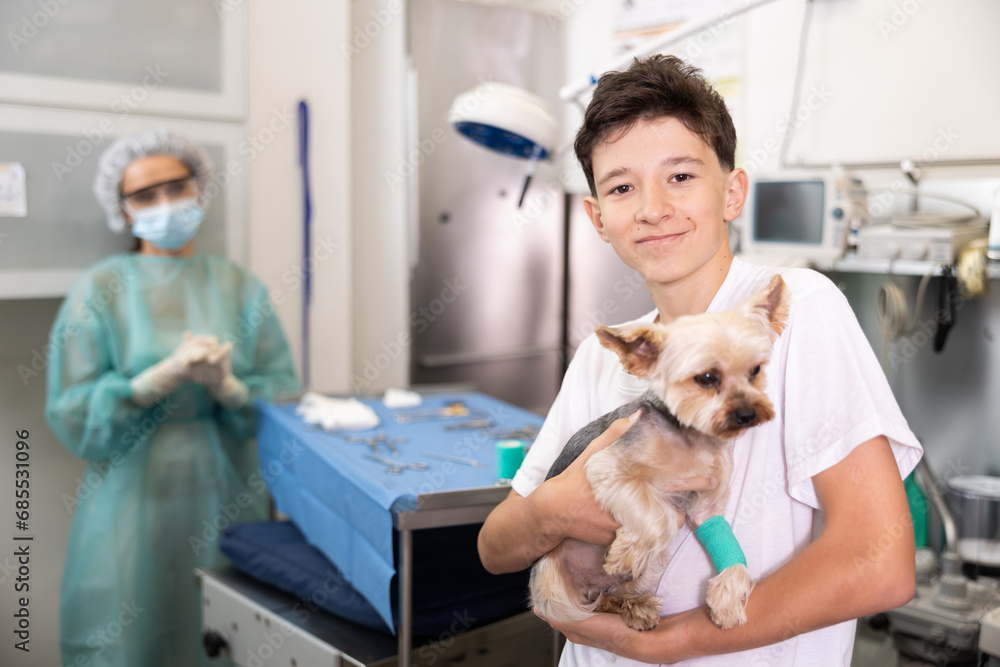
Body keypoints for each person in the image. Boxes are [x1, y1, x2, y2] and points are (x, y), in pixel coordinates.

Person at [477, 55, 923, 665]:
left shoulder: (795, 310)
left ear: (732, 191)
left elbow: (880, 561)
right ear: (597, 218)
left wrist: (679, 642)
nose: (652, 208)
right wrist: (554, 509)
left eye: (681, 176)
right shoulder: (604, 356)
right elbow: (496, 548)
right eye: (621, 187)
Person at [46, 128, 300, 667]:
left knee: (225, 628)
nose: (164, 204)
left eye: (175, 187)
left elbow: (282, 396)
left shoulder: (238, 286)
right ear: (123, 211)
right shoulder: (100, 288)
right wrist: (142, 387)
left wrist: (231, 390)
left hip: (226, 488)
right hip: (129, 496)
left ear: (199, 189)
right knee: (130, 629)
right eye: (144, 195)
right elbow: (70, 411)